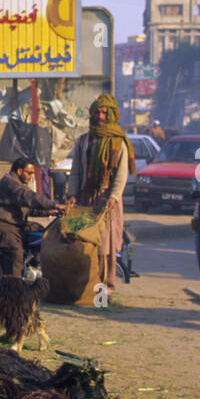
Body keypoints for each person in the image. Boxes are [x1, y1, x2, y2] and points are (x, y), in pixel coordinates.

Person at [68, 93, 134, 296]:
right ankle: (87, 289)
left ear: (112, 114)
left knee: (106, 248)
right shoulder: (83, 141)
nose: (100, 116)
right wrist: (72, 193)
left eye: (104, 112)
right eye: (97, 112)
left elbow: (121, 175)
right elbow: (76, 170)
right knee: (85, 244)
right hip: (86, 199)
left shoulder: (118, 142)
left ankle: (105, 291)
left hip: (107, 202)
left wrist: (113, 197)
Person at [0, 159, 63, 277]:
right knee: (16, 253)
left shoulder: (18, 184)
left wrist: (52, 211)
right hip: (0, 225)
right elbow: (29, 197)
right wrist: (54, 204)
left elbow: (29, 208)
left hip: (13, 223)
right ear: (20, 171)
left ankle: (32, 267)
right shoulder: (10, 182)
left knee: (40, 232)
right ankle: (14, 288)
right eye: (29, 173)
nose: (31, 176)